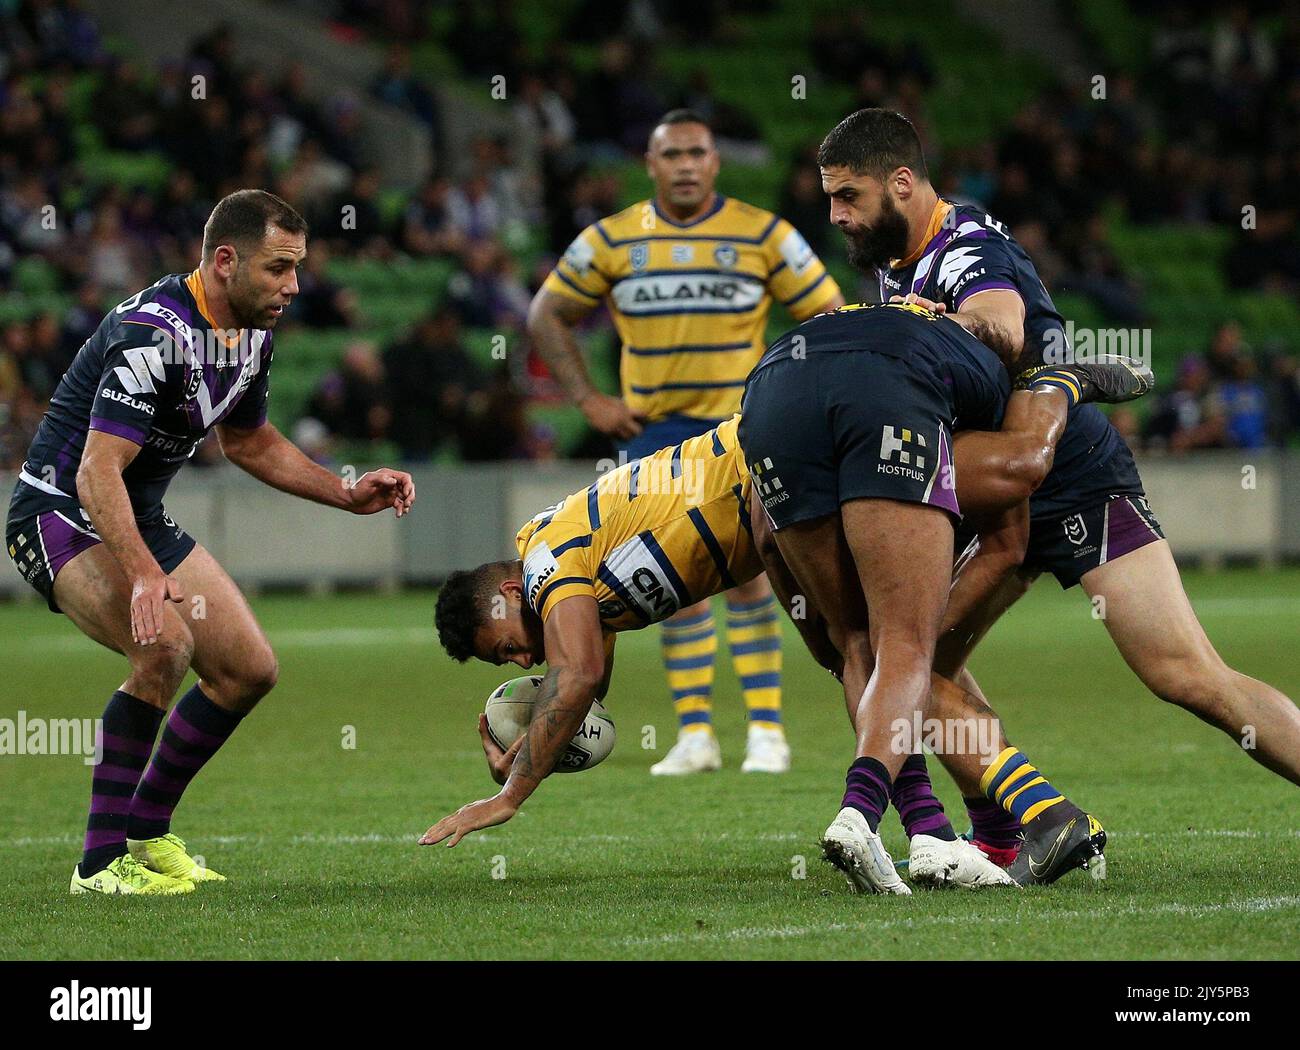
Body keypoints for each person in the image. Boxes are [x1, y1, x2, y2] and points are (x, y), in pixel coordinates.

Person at [422, 325, 1144, 891]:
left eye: (503, 644)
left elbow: (575, 679)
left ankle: (1053, 384)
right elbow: (586, 682)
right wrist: (531, 750)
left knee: (883, 645)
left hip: (777, 469)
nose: (520, 659)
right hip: (779, 506)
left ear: (508, 592)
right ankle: (972, 829)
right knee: (883, 653)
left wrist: (512, 794)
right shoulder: (568, 576)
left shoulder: (547, 560)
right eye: (506, 663)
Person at [819, 109, 1300, 886]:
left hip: (1068, 471)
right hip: (993, 489)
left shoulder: (966, 246)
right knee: (911, 660)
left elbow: (1003, 328)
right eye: (831, 198)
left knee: (1187, 676)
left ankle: (1017, 827)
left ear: (900, 183)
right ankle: (1019, 831)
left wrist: (932, 322)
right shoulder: (897, 263)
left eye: (847, 196)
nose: (836, 214)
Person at [5, 190, 415, 895]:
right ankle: (100, 867)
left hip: (137, 515)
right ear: (225, 261)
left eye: (297, 269)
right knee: (164, 645)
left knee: (249, 668)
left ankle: (148, 832)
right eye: (278, 269)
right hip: (60, 513)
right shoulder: (153, 335)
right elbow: (95, 470)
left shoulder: (250, 333)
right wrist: (140, 573)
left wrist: (344, 494)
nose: (293, 286)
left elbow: (249, 440)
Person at [527, 108, 845, 776]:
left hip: (742, 431)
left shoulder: (764, 234)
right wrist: (587, 400)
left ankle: (766, 731)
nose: (686, 165)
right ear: (651, 165)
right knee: (666, 584)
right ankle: (695, 734)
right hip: (656, 438)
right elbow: (546, 313)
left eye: (697, 153)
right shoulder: (612, 238)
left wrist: (793, 392)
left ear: (715, 162)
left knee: (754, 575)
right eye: (672, 155)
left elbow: (828, 316)